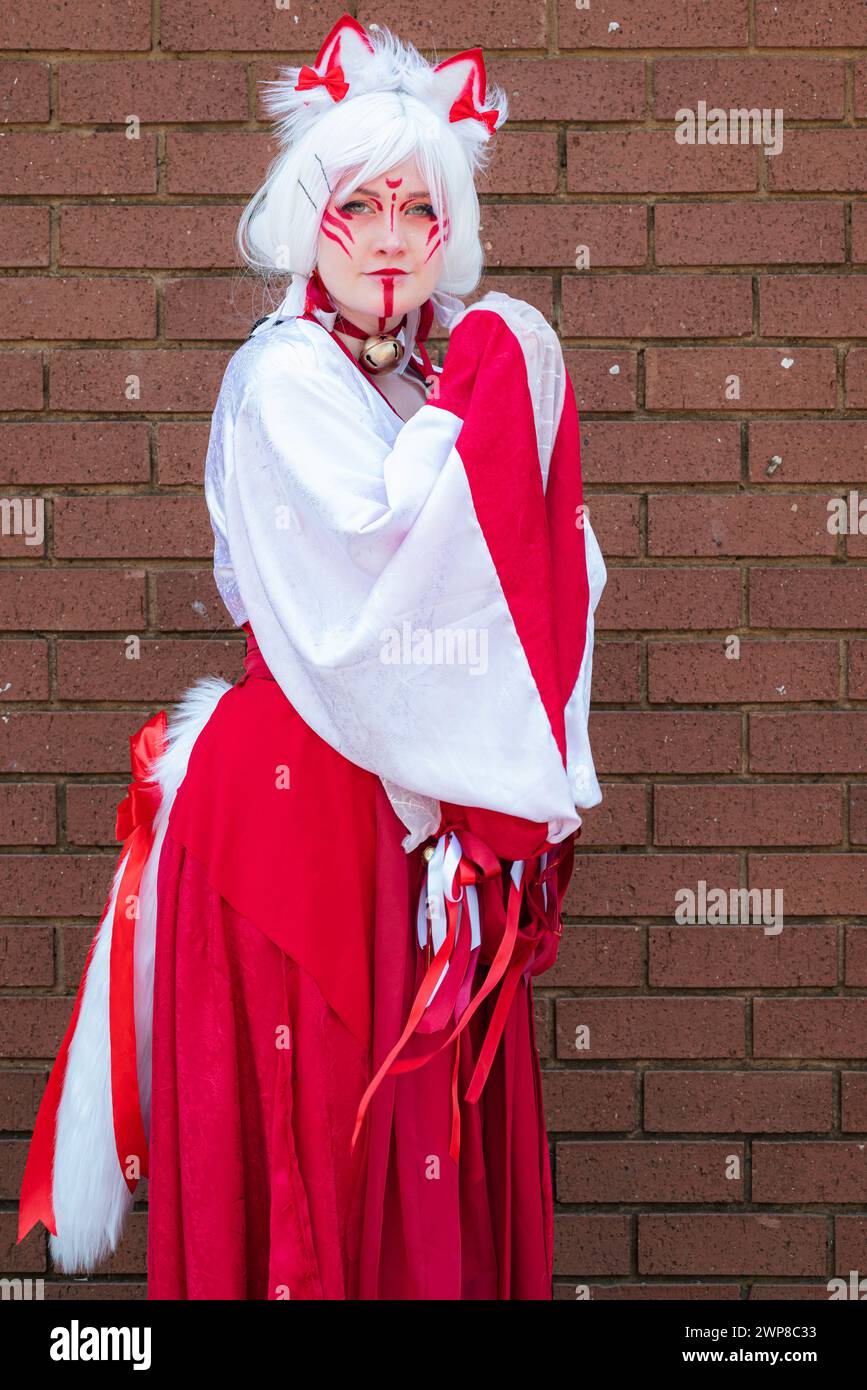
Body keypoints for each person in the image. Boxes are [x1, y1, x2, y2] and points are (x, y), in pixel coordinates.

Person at [17, 13, 607, 1300]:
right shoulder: (283, 378)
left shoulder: (439, 377)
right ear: (310, 217)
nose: (391, 238)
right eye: (361, 206)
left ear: (447, 229)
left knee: (416, 1141)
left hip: (404, 829)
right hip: (300, 826)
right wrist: (494, 397)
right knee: (319, 1131)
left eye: (417, 208)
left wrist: (497, 393)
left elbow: (543, 579)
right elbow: (382, 572)